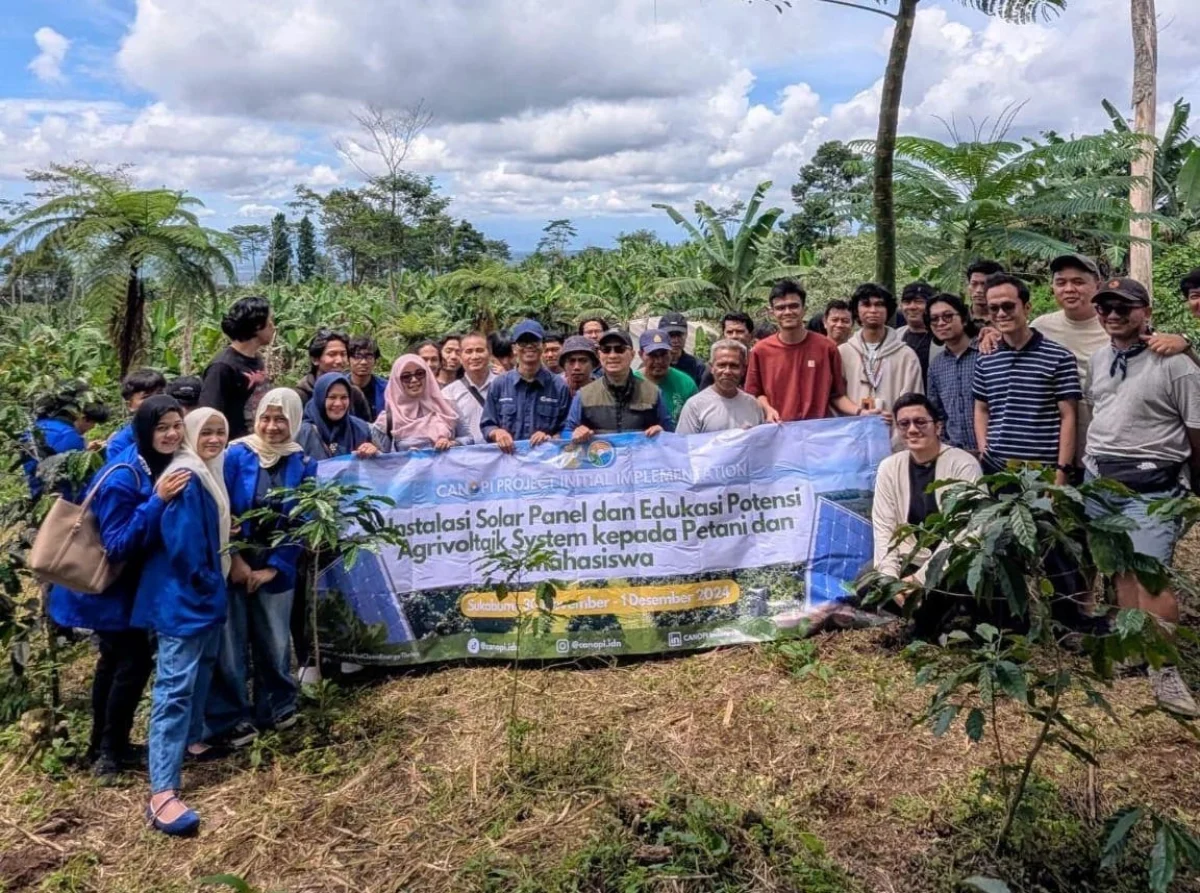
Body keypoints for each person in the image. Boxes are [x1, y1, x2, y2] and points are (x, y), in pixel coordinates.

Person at [48, 396, 191, 778]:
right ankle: (109, 751)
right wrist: (157, 501)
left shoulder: (151, 463)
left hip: (121, 589)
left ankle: (107, 745)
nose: (172, 434)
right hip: (103, 590)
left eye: (177, 425)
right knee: (131, 662)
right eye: (162, 428)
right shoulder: (125, 475)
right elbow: (117, 544)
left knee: (117, 662)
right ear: (144, 430)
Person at [1083, 277, 1200, 716]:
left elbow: (1196, 427)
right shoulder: (1099, 358)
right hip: (1101, 480)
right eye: (1105, 307)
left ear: (1145, 312)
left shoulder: (1175, 363)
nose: (1113, 314)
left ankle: (1164, 669)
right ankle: (1135, 650)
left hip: (1154, 485)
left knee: (1152, 577)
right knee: (1121, 570)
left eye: (1124, 307)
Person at [131, 407, 230, 836]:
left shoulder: (205, 470)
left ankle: (191, 740)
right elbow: (185, 545)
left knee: (202, 667)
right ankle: (162, 793)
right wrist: (207, 579)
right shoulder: (186, 477)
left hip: (202, 595)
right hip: (186, 598)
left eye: (220, 431)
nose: (212, 439)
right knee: (174, 687)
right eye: (203, 431)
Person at [207, 389, 317, 747]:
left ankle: (277, 706)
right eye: (266, 419)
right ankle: (233, 717)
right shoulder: (236, 455)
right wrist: (236, 559)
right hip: (233, 563)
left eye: (281, 419)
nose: (272, 427)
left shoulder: (302, 463)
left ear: (295, 421)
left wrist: (273, 567)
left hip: (276, 566)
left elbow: (304, 519)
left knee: (274, 638)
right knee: (231, 641)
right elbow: (221, 509)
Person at [871, 393, 982, 631]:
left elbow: (968, 530)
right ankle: (923, 613)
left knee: (951, 585)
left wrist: (920, 579)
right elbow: (884, 528)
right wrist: (891, 581)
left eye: (920, 422)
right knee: (868, 581)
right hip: (909, 559)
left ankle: (935, 616)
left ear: (938, 426)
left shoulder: (963, 464)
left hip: (950, 562)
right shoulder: (889, 467)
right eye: (904, 424)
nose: (912, 430)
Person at [973, 273, 1081, 482]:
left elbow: (1069, 417)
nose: (1001, 313)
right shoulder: (985, 358)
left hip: (1043, 471)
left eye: (1008, 306)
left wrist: (1062, 471)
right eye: (994, 308)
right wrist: (984, 450)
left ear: (1027, 307)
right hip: (997, 470)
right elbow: (981, 408)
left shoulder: (1059, 357)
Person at [745, 280, 864, 422]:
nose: (787, 312)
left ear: (804, 310)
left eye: (794, 306)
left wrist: (861, 412)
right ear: (772, 313)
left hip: (818, 434)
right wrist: (768, 409)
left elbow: (836, 395)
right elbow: (754, 394)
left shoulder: (826, 348)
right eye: (781, 308)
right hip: (778, 431)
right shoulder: (761, 351)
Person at [839, 284, 924, 446]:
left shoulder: (906, 355)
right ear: (856, 311)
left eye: (879, 304)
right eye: (866, 305)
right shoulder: (843, 353)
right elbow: (835, 396)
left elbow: (914, 402)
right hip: (853, 440)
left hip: (895, 441)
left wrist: (898, 430)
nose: (873, 310)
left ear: (888, 310)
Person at [481, 320, 571, 453]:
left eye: (534, 341)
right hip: (508, 463)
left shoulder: (559, 386)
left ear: (543, 346)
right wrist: (497, 433)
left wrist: (550, 438)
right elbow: (487, 424)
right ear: (514, 348)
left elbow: (566, 428)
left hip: (545, 464)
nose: (529, 346)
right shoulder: (499, 384)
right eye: (523, 342)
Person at [563, 330, 670, 438]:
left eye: (620, 349)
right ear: (599, 355)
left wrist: (662, 431)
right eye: (606, 350)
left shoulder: (653, 392)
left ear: (632, 355)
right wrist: (575, 433)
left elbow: (671, 434)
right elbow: (566, 433)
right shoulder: (584, 395)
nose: (612, 355)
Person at [199, 295, 274, 440]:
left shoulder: (256, 359)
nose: (273, 326)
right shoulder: (222, 367)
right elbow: (209, 414)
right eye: (270, 321)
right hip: (234, 449)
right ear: (257, 326)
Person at [21, 385, 109, 500]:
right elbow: (78, 476)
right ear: (82, 417)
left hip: (37, 491)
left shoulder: (37, 426)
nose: (92, 427)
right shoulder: (69, 436)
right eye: (93, 422)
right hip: (61, 499)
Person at [375, 356, 472, 451]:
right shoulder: (388, 419)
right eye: (406, 376)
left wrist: (452, 444)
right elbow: (380, 459)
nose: (414, 380)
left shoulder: (447, 406)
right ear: (397, 381)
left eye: (419, 374)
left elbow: (468, 438)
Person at [925, 294, 979, 454]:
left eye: (948, 316)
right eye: (934, 319)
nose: (941, 323)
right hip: (956, 453)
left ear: (963, 318)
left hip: (994, 450)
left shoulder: (986, 352)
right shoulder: (936, 366)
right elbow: (936, 413)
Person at [676, 340, 764, 434]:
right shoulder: (695, 406)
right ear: (712, 368)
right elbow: (683, 445)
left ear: (743, 370)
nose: (727, 371)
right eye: (722, 365)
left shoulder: (753, 405)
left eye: (734, 366)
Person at [296, 372, 386, 460]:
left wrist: (373, 452)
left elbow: (382, 467)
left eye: (344, 397)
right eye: (332, 397)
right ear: (320, 398)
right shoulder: (304, 433)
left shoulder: (360, 429)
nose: (338, 403)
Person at [294, 329, 372, 422]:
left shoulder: (354, 394)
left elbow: (366, 430)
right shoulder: (300, 396)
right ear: (315, 359)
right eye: (332, 354)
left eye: (343, 354)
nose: (339, 360)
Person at [442, 333, 497, 443]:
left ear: (490, 354)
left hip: (502, 455)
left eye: (480, 350)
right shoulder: (448, 394)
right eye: (468, 351)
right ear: (461, 357)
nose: (475, 356)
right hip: (465, 457)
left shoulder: (505, 385)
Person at [636, 329, 698, 427]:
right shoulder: (631, 383)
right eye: (653, 355)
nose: (659, 361)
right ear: (640, 354)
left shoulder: (686, 384)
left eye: (664, 354)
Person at [106, 368, 167, 460]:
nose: (156, 400)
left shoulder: (178, 431)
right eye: (146, 397)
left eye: (160, 394)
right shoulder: (119, 445)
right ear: (129, 405)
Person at [698, 312, 756, 388]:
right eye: (729, 332)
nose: (734, 336)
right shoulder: (715, 368)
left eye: (740, 332)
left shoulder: (758, 365)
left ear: (750, 335)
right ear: (723, 335)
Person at [895, 282, 940, 378]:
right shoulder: (895, 337)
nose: (912, 307)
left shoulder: (942, 337)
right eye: (907, 302)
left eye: (918, 302)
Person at [658, 311, 707, 386]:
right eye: (670, 335)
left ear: (686, 334)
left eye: (679, 335)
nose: (675, 340)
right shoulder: (654, 365)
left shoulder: (697, 366)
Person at [348, 335, 388, 418]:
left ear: (375, 360)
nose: (363, 362)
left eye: (369, 356)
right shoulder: (339, 386)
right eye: (357, 356)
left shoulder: (386, 389)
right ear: (348, 359)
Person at [966, 260, 1005, 328]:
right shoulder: (959, 319)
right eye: (974, 284)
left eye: (985, 284)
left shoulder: (1007, 320)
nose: (979, 290)